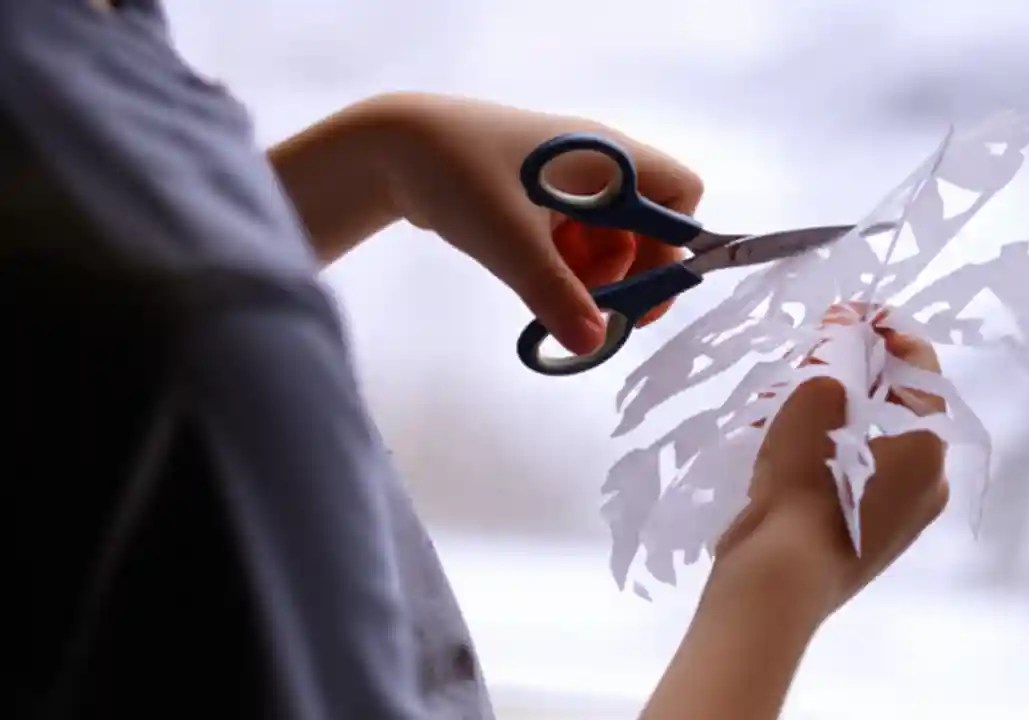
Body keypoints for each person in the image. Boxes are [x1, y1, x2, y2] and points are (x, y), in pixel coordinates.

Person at [1, 2, 948, 718]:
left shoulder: (79, 68)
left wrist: (365, 169)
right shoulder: (213, 313)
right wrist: (785, 564)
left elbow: (63, 373)